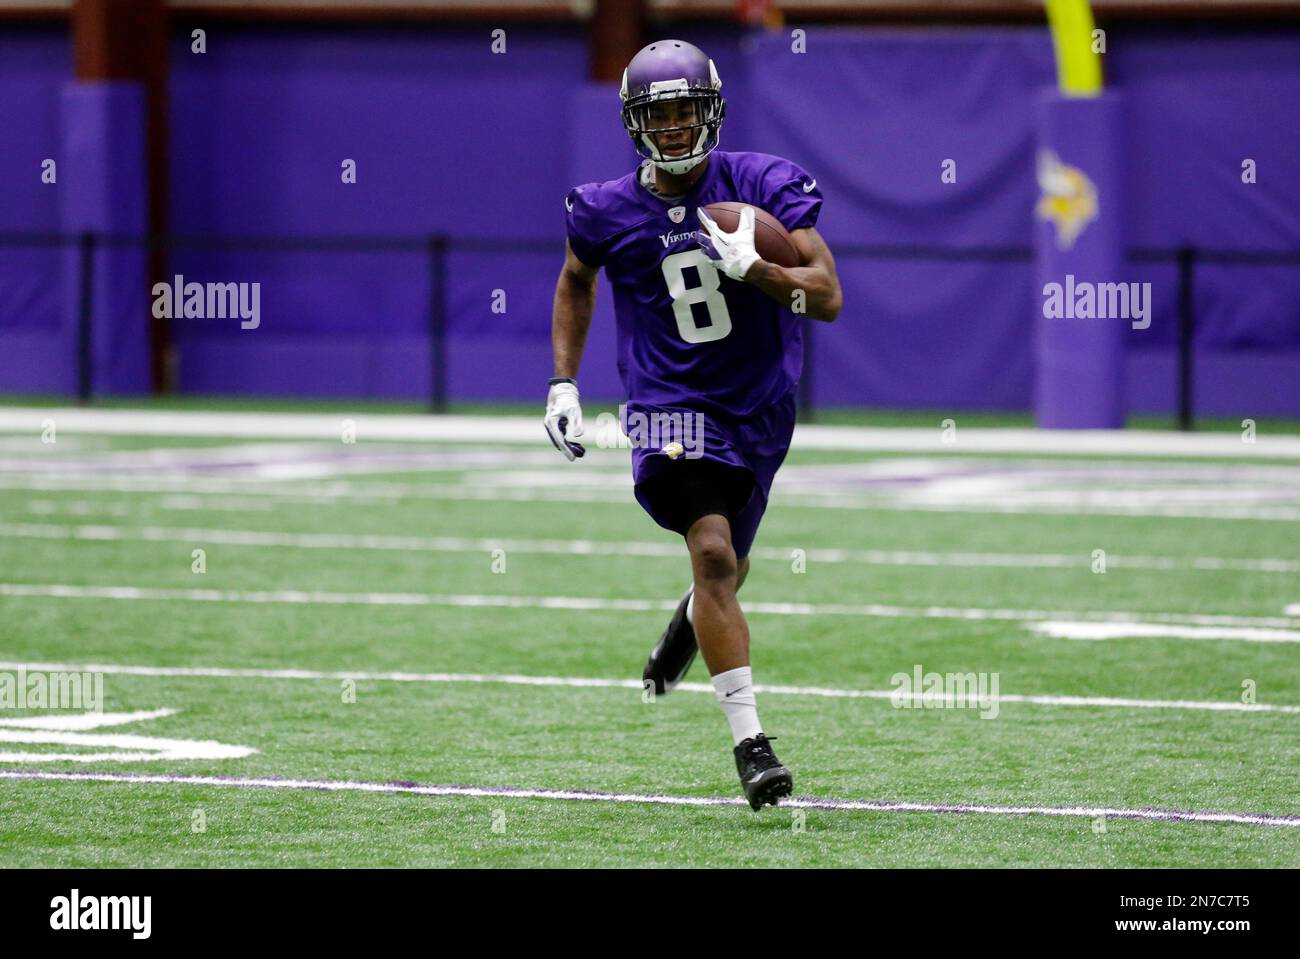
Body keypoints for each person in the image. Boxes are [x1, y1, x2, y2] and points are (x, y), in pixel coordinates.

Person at [544, 39, 842, 810]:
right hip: (665, 402)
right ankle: (752, 745)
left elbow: (827, 297)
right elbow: (576, 278)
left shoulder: (764, 184)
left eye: (685, 111)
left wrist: (760, 271)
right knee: (712, 550)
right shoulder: (604, 207)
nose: (673, 127)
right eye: (658, 115)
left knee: (728, 566)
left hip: (759, 405)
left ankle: (689, 619)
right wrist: (563, 381)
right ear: (633, 123)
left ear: (711, 111)